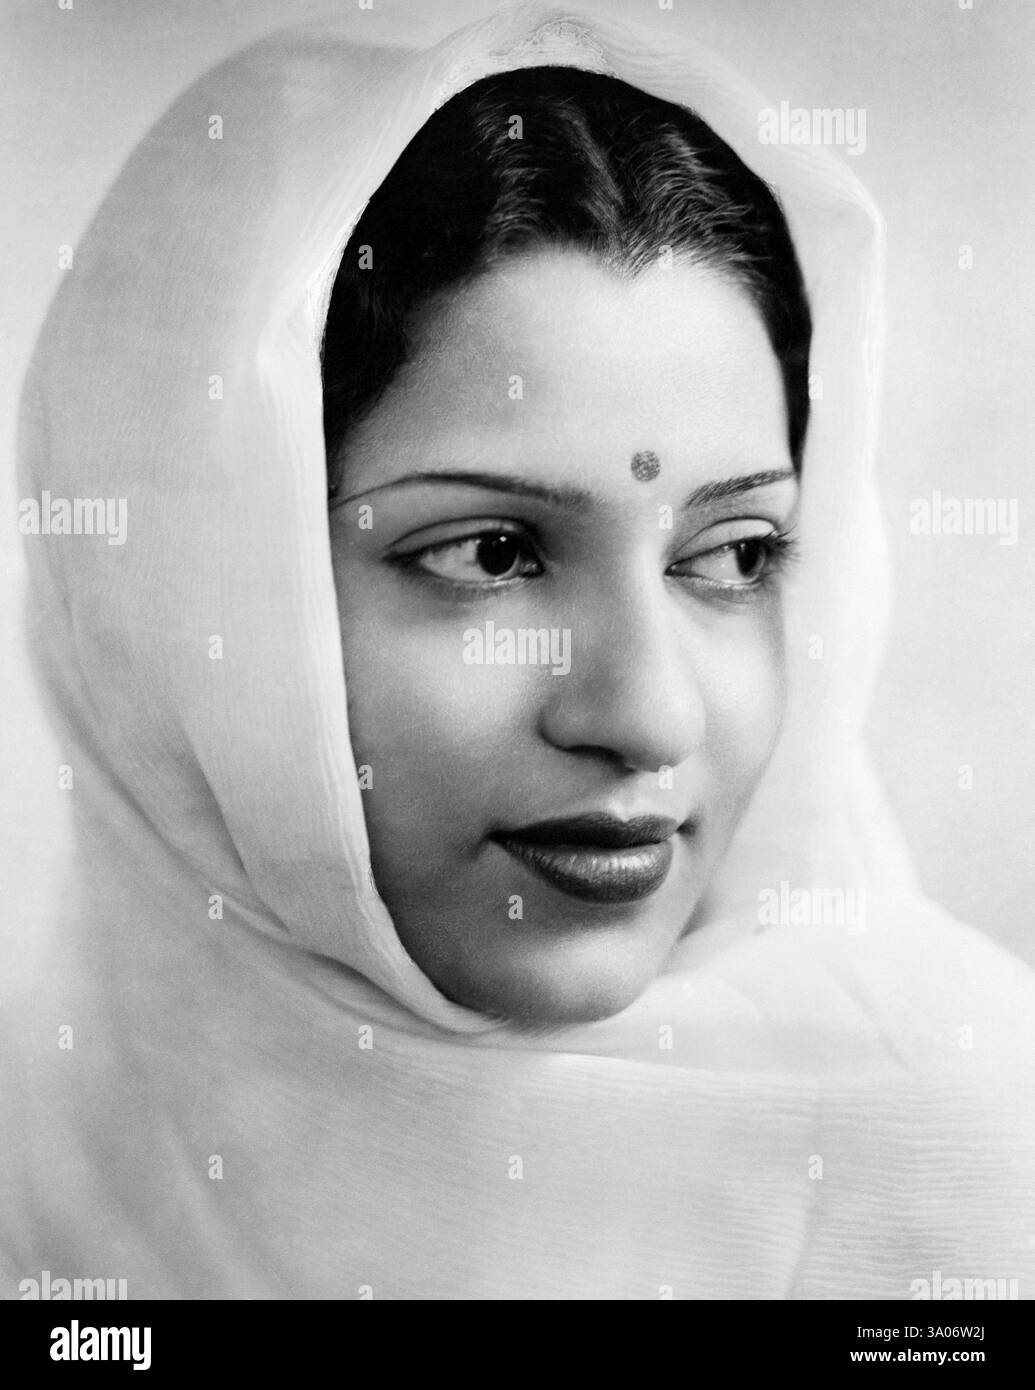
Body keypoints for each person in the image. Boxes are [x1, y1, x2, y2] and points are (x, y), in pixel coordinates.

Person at [6, 2, 1034, 1299]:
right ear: (179, 592)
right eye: (494, 553)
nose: (649, 716)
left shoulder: (962, 1174)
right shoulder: (35, 1146)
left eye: (734, 555)